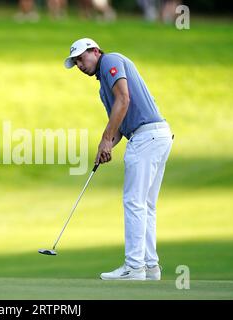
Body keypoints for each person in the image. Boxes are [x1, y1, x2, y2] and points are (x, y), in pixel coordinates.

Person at [64, 38, 173, 280]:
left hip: (147, 137)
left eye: (82, 58)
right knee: (145, 204)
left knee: (134, 202)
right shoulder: (103, 86)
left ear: (95, 51)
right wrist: (107, 146)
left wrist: (105, 137)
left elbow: (124, 100)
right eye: (76, 62)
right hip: (156, 135)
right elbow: (120, 127)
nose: (80, 65)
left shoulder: (110, 61)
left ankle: (134, 267)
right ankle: (150, 265)